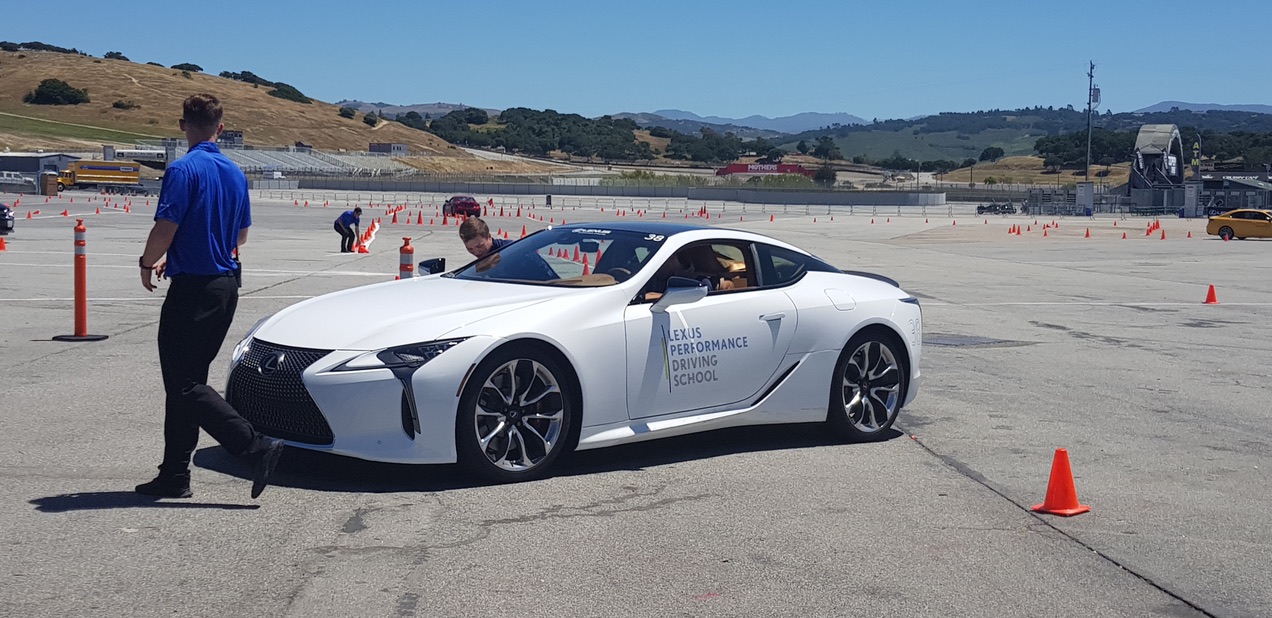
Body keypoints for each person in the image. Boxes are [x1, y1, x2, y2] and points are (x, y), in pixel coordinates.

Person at [136, 93, 283, 500]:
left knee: (183, 384)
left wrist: (148, 261)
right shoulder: (234, 173)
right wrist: (184, 253)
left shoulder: (182, 169)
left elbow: (165, 227)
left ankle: (255, 445)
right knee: (188, 383)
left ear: (183, 126)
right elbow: (241, 236)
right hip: (224, 286)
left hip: (194, 290)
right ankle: (174, 475)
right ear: (220, 129)